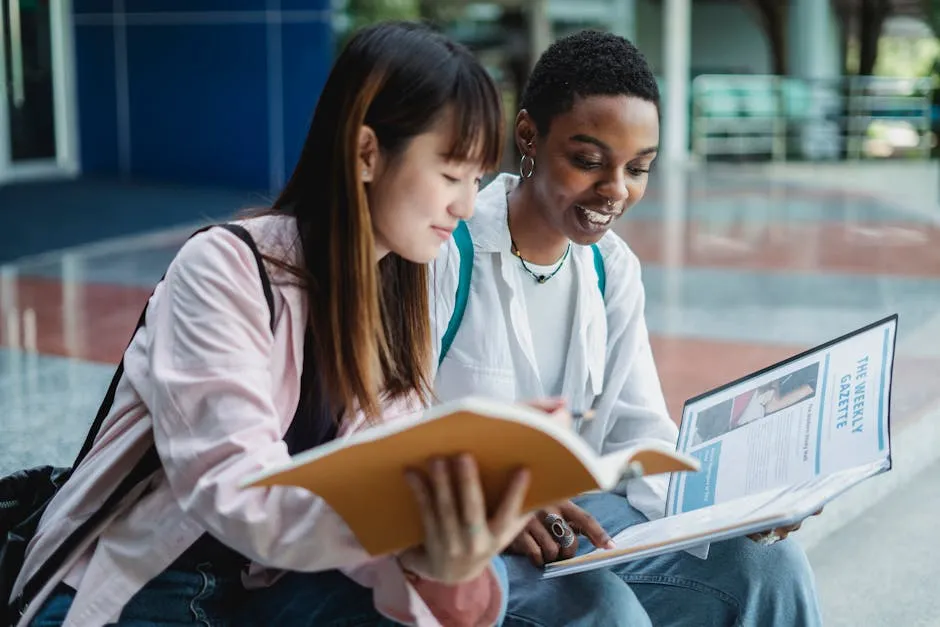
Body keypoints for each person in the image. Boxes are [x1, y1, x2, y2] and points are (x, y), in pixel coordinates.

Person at [14, 21, 544, 627]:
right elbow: (235, 486)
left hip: (268, 586)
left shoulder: (400, 297)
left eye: (476, 180)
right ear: (366, 152)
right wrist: (399, 524)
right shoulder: (224, 268)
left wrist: (439, 548)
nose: (467, 205)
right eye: (451, 175)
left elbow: (380, 486)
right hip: (150, 584)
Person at [429, 30, 823, 626]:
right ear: (529, 135)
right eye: (588, 161)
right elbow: (384, 427)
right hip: (464, 532)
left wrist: (736, 508)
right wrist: (490, 503)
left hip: (574, 522)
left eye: (638, 168)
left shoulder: (609, 268)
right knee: (607, 614)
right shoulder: (446, 254)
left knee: (770, 567)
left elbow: (637, 437)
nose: (616, 190)